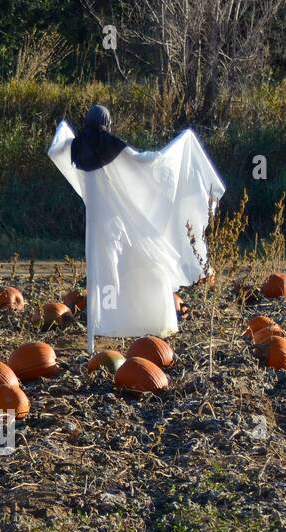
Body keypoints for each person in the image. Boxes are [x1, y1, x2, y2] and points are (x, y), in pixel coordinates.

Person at [48, 104, 225, 351]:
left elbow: (57, 149)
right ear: (107, 124)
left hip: (98, 223)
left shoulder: (77, 148)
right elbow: (144, 163)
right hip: (117, 220)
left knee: (105, 272)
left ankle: (105, 322)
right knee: (139, 266)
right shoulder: (111, 146)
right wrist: (180, 147)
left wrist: (62, 131)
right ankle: (142, 320)